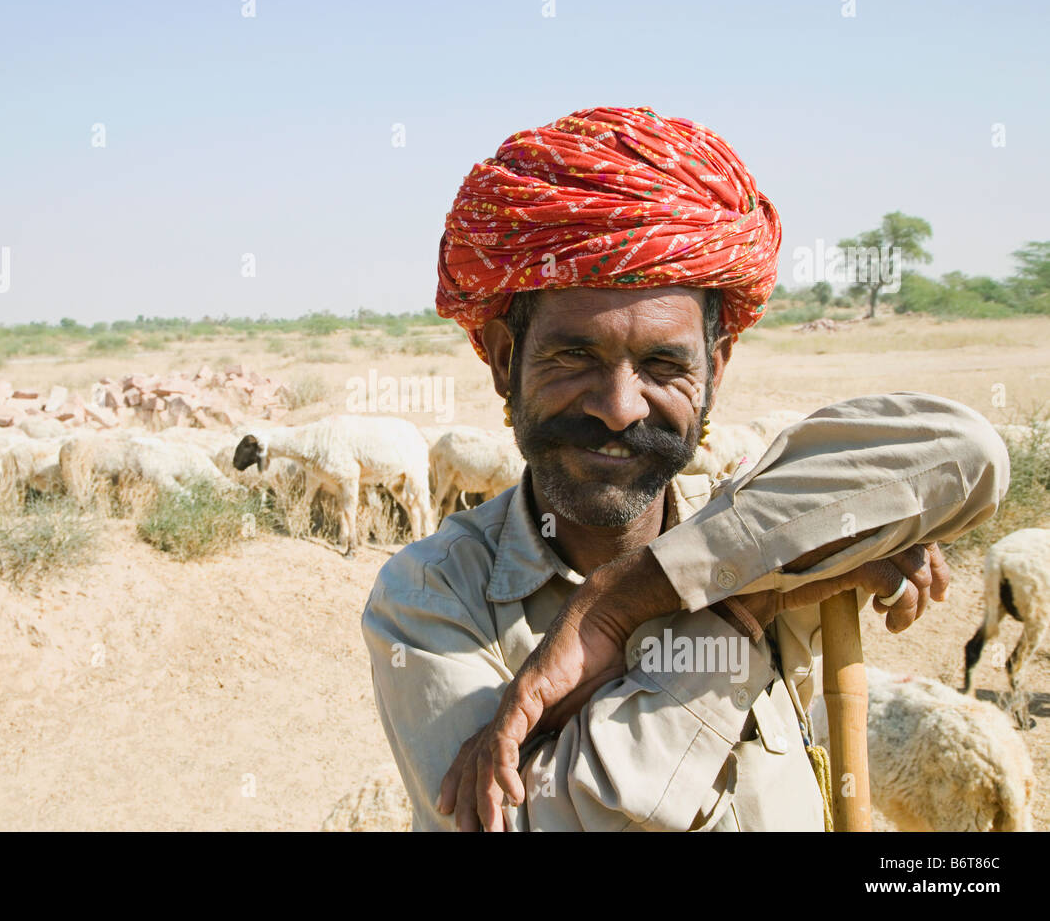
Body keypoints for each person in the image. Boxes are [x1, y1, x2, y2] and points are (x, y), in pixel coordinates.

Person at [361, 107, 1010, 831]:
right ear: (507, 361)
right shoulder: (431, 598)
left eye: (664, 365)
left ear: (715, 370)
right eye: (573, 356)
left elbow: (969, 452)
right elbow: (545, 823)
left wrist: (627, 598)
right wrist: (739, 607)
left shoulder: (751, 515)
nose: (617, 407)